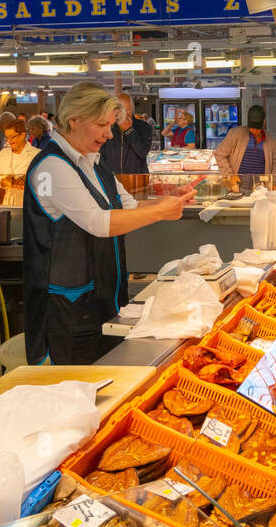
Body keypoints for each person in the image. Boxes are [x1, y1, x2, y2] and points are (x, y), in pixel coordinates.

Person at [23, 82, 198, 365]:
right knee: (74, 392)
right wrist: (160, 212)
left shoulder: (95, 164)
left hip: (102, 300)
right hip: (65, 310)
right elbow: (98, 222)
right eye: (101, 125)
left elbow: (129, 207)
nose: (108, 133)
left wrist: (166, 203)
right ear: (74, 121)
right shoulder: (52, 167)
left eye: (110, 125)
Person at [214, 104, 276, 189]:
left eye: (257, 129)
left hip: (261, 189)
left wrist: (273, 182)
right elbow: (219, 154)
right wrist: (230, 175)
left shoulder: (271, 141)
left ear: (263, 122)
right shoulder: (235, 134)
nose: (255, 131)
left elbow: (274, 164)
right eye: (252, 128)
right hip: (236, 187)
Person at [99, 92, 154, 180]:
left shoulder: (144, 127)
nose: (124, 113)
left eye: (127, 109)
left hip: (137, 179)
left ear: (132, 108)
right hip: (113, 179)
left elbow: (142, 152)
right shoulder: (109, 126)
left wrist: (129, 130)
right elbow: (102, 155)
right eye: (121, 109)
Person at [0, 117, 38, 207]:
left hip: (28, 202)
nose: (9, 141)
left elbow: (42, 182)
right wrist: (5, 181)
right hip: (8, 202)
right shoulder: (4, 153)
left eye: (11, 137)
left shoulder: (36, 154)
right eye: (7, 138)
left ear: (22, 135)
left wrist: (25, 180)